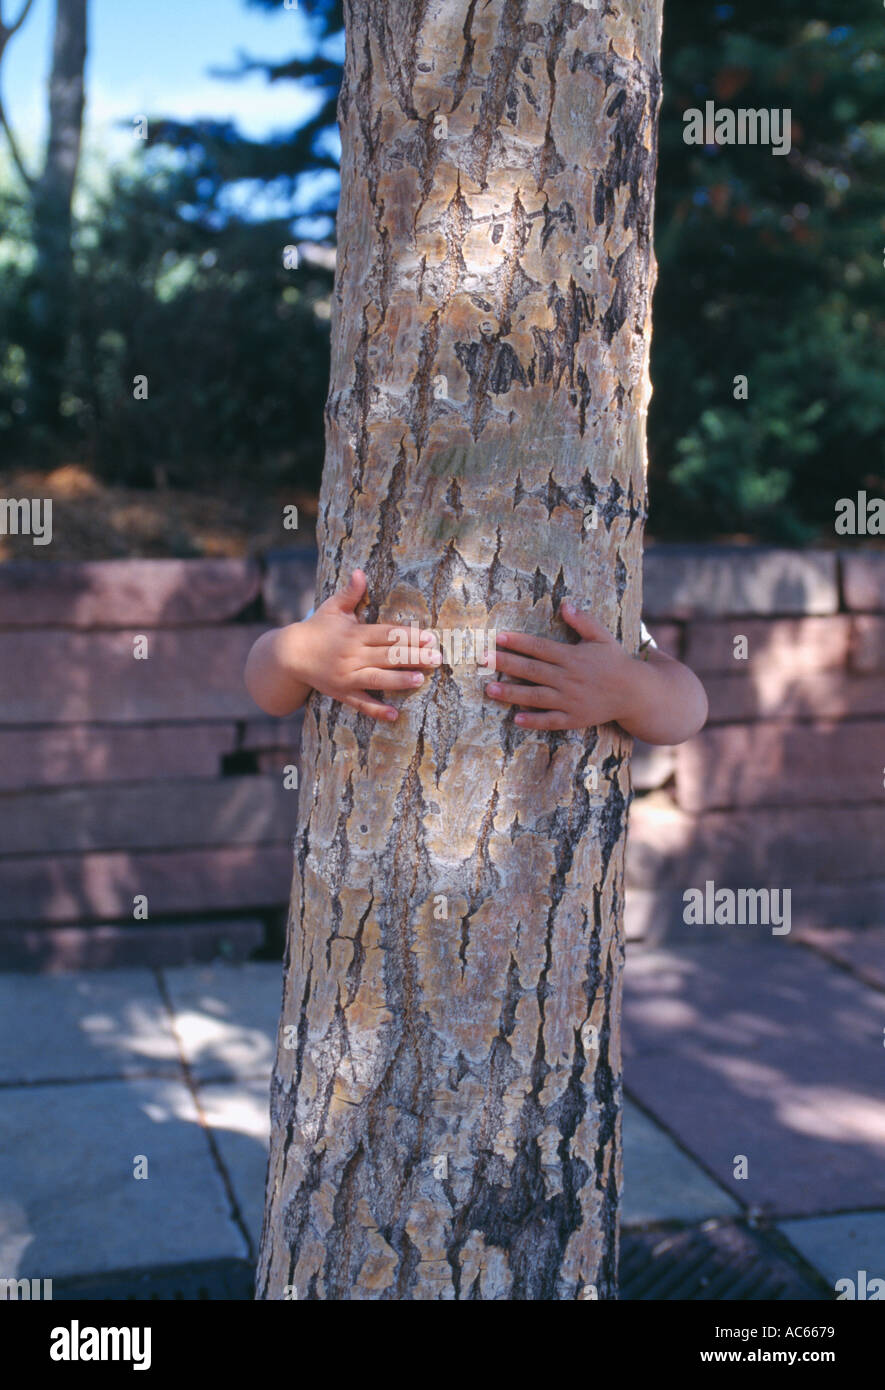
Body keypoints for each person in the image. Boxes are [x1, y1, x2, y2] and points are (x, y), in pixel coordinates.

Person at [245, 568, 707, 746]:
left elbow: (688, 711)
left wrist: (633, 689)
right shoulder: (348, 605)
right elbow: (268, 692)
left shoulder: (600, 613)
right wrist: (295, 650)